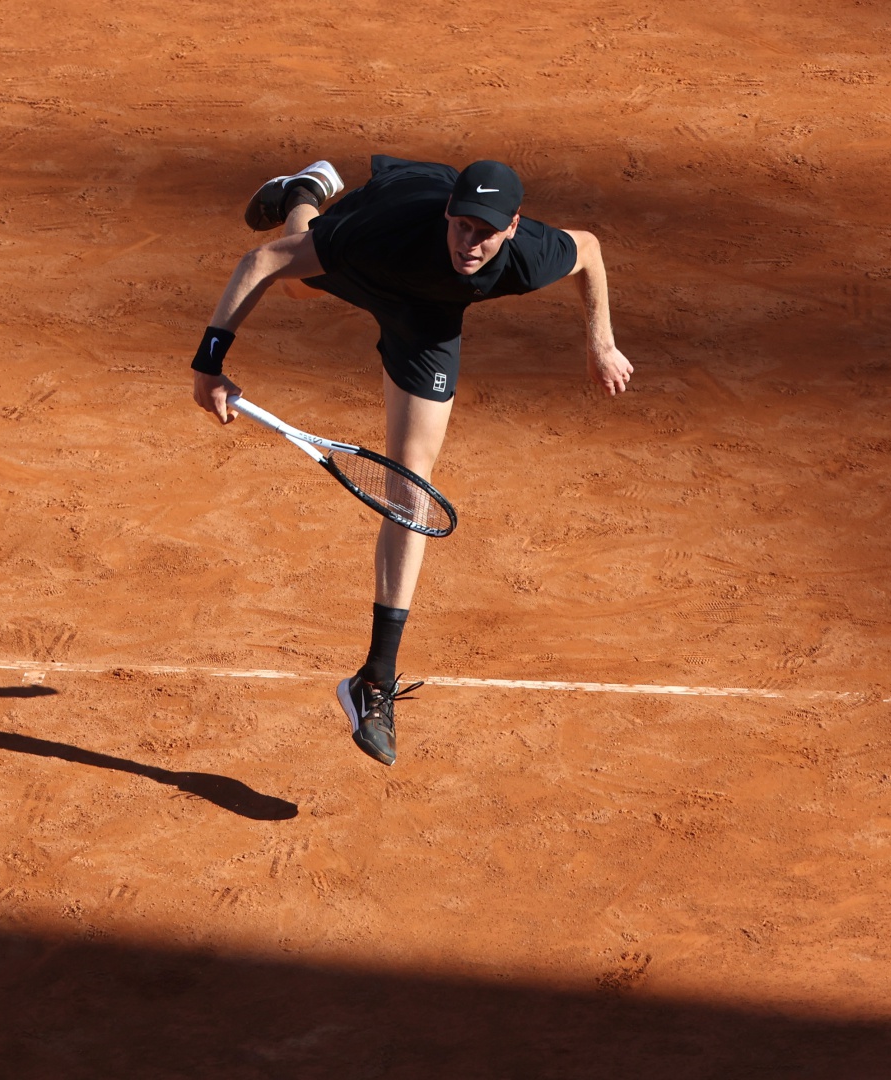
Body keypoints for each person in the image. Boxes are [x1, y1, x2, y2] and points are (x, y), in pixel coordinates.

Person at [188, 156, 633, 766]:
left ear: (513, 226)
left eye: (485, 231)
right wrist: (210, 363)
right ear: (447, 214)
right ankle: (305, 189)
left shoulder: (532, 254)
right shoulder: (383, 233)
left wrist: (600, 343)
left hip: (427, 321)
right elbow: (261, 261)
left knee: (410, 485)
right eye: (461, 226)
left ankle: (375, 676)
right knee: (294, 278)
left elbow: (589, 249)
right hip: (377, 252)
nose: (470, 243)